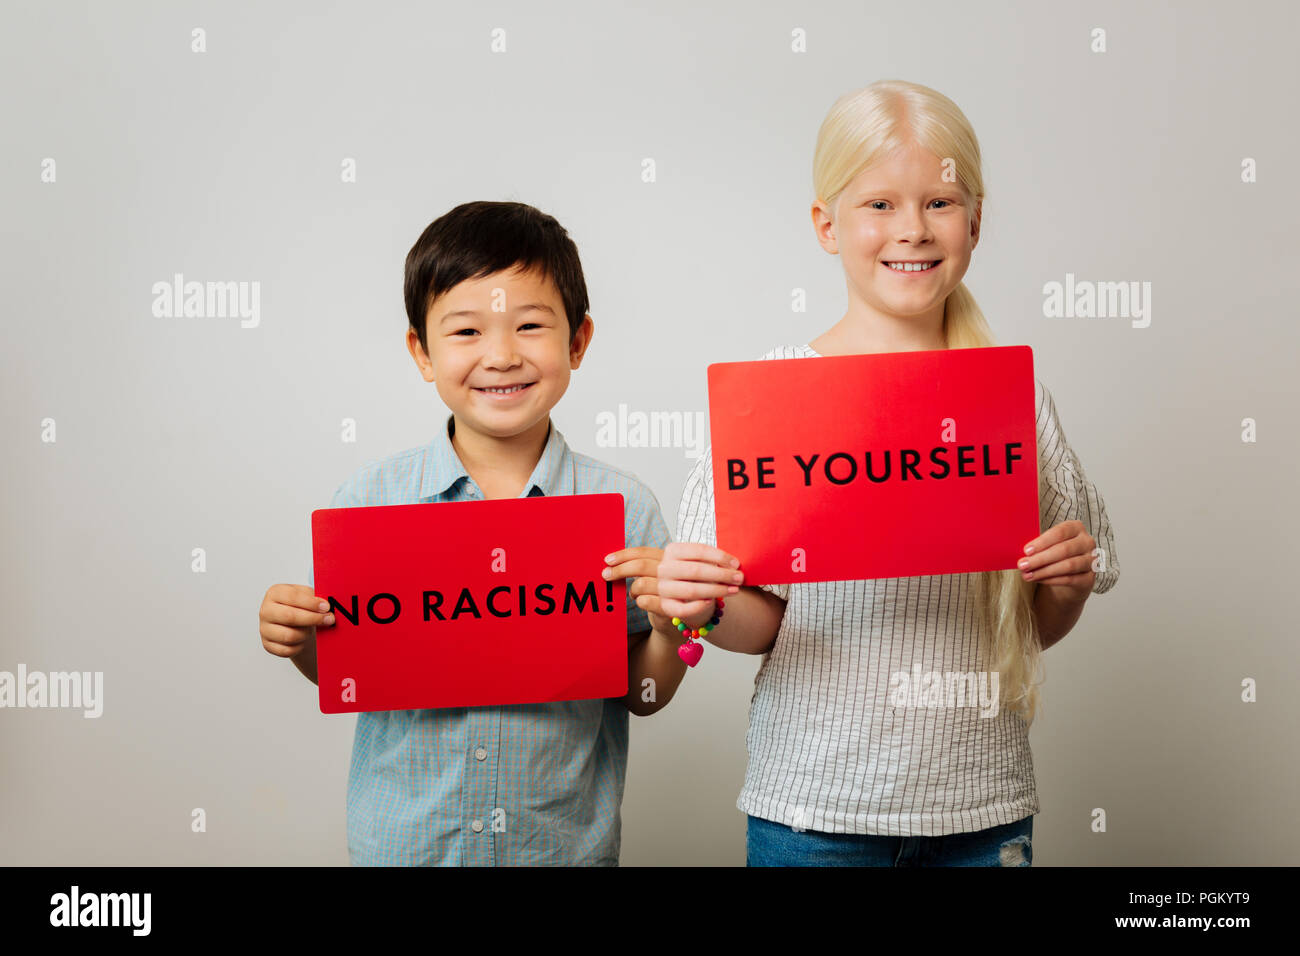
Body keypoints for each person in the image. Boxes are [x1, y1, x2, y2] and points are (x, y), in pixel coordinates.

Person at [659, 79, 1121, 867]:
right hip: (810, 811)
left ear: (977, 222)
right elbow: (757, 620)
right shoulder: (776, 395)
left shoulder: (1006, 394)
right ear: (826, 225)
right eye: (879, 204)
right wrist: (695, 606)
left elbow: (1033, 624)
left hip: (982, 808)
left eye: (940, 203)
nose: (912, 228)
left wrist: (1067, 585)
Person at [257, 201, 705, 865]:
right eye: (466, 332)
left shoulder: (623, 508)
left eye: (529, 325)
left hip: (559, 850)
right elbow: (347, 675)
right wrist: (298, 642)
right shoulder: (372, 503)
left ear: (578, 342)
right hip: (409, 847)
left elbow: (643, 696)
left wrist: (673, 629)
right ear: (422, 352)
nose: (501, 355)